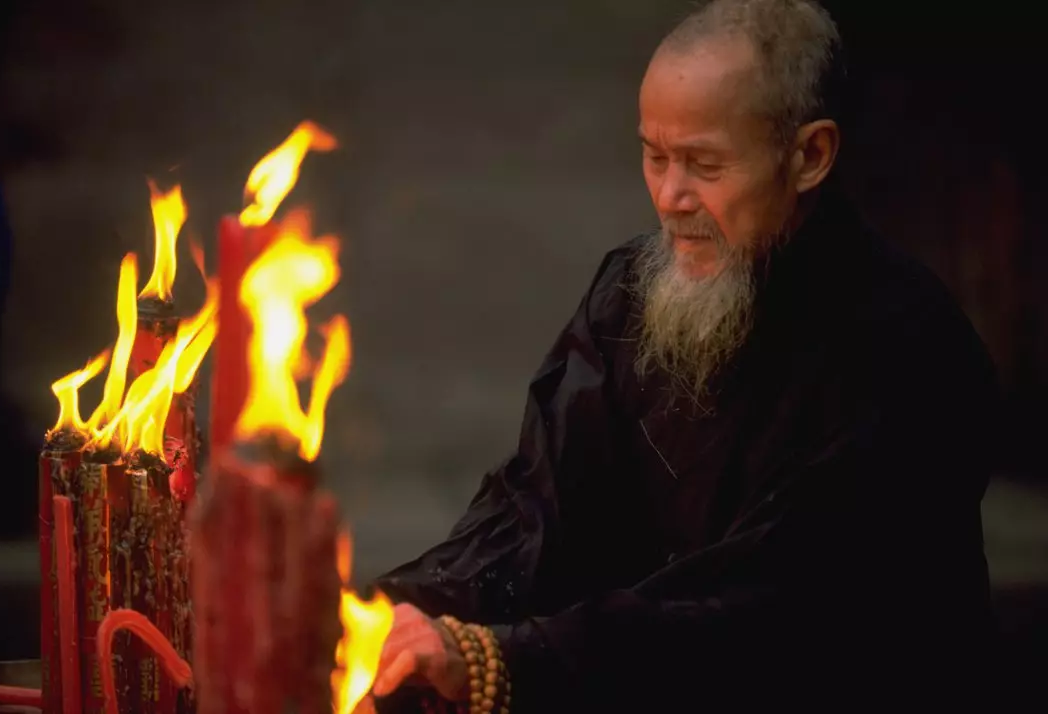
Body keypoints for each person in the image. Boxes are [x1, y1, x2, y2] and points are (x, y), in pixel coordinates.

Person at [367, 0, 1000, 710]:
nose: (670, 196)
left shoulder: (907, 348)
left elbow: (772, 611)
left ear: (810, 156)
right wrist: (390, 614)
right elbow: (538, 510)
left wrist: (504, 657)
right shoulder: (628, 294)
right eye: (654, 155)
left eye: (704, 163)